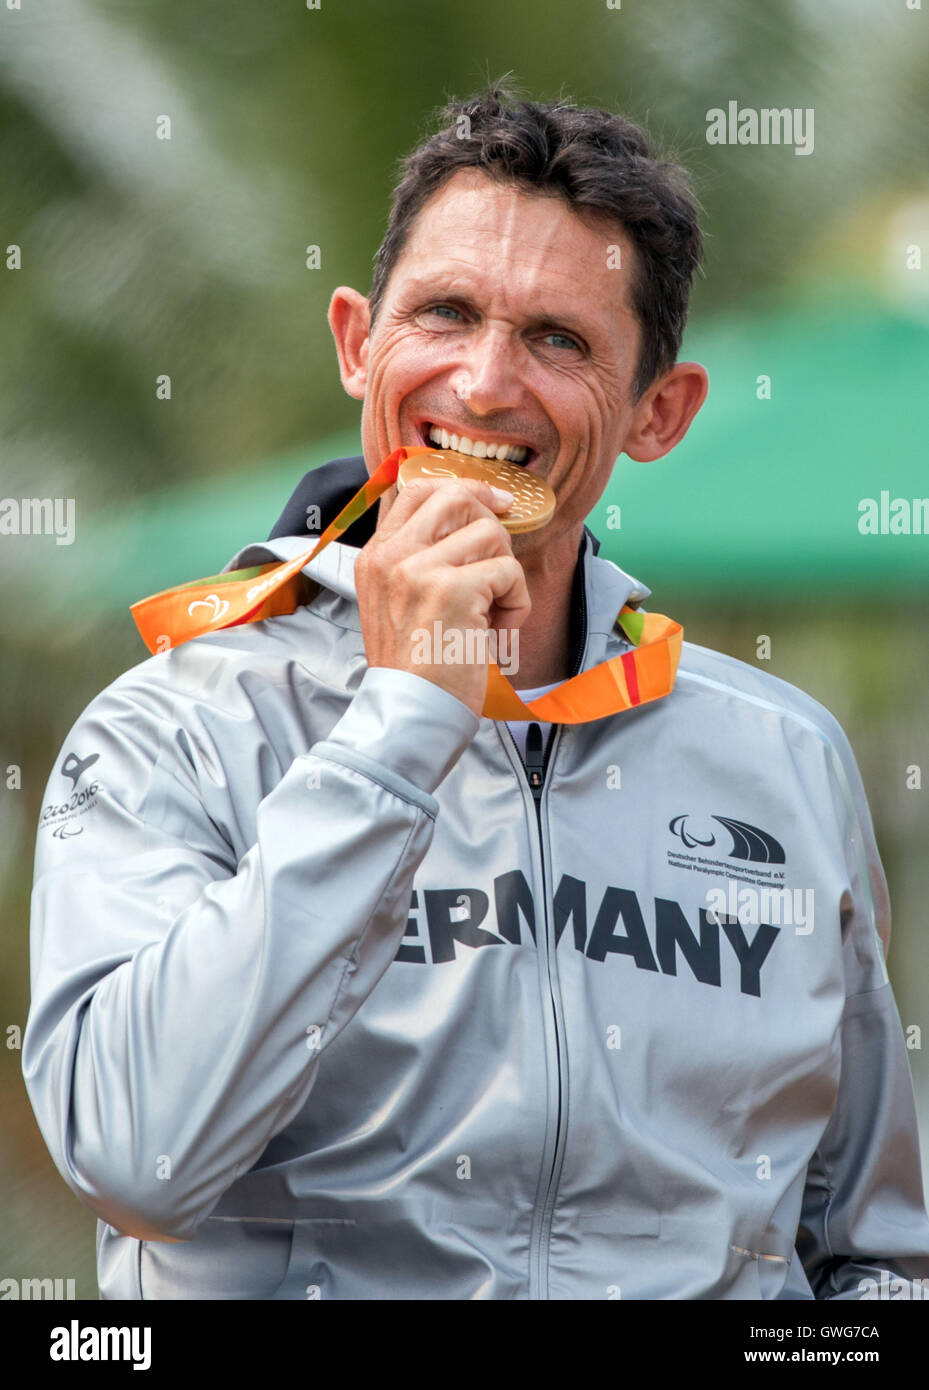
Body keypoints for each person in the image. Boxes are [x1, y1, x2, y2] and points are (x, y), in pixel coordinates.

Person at [23, 83, 929, 1300]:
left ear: (660, 412)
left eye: (559, 339)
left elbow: (869, 1250)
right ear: (356, 341)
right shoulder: (170, 730)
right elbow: (133, 1152)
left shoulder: (784, 758)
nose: (486, 384)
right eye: (444, 313)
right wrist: (402, 727)